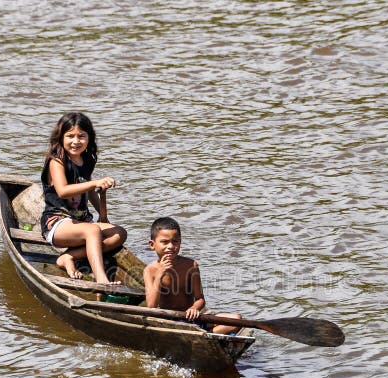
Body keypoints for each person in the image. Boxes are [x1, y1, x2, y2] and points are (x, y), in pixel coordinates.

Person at [40, 112, 127, 283]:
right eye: (70, 136)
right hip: (57, 223)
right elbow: (63, 191)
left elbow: (90, 191)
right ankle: (102, 279)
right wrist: (94, 183)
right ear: (61, 138)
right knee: (93, 230)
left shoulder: (87, 160)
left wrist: (103, 211)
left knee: (119, 233)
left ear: (89, 138)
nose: (75, 141)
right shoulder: (56, 161)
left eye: (81, 136)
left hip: (81, 222)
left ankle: (67, 257)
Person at [143, 217, 241, 335]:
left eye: (175, 241)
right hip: (167, 321)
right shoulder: (149, 270)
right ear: (152, 244)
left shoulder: (190, 265)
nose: (170, 246)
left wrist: (194, 308)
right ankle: (204, 335)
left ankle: (206, 334)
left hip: (189, 318)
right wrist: (159, 274)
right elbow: (151, 306)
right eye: (164, 242)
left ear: (180, 242)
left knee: (237, 319)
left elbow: (200, 299)